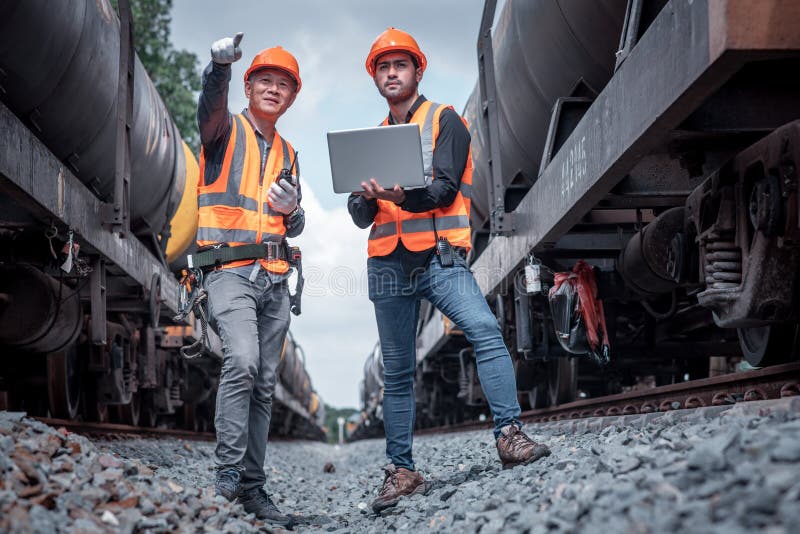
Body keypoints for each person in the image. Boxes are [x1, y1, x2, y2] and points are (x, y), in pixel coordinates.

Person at [347, 28, 552, 513]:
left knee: (484, 330)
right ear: (375, 77)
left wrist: (399, 196)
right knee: (397, 371)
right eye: (383, 67)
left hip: (438, 258)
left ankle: (509, 435)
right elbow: (359, 215)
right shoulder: (372, 139)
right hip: (387, 263)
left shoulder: (446, 121)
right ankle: (401, 472)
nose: (391, 73)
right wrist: (366, 198)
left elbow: (443, 190)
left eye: (400, 65)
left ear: (417, 71)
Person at [196, 32, 304, 528]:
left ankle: (253, 489)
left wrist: (294, 210)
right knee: (241, 360)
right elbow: (209, 109)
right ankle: (227, 477)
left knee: (264, 384)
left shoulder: (289, 152)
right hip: (228, 271)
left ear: (292, 96)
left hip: (275, 278)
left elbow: (293, 224)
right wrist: (218, 68)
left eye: (283, 84)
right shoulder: (222, 130)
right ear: (248, 86)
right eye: (265, 80)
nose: (273, 89)